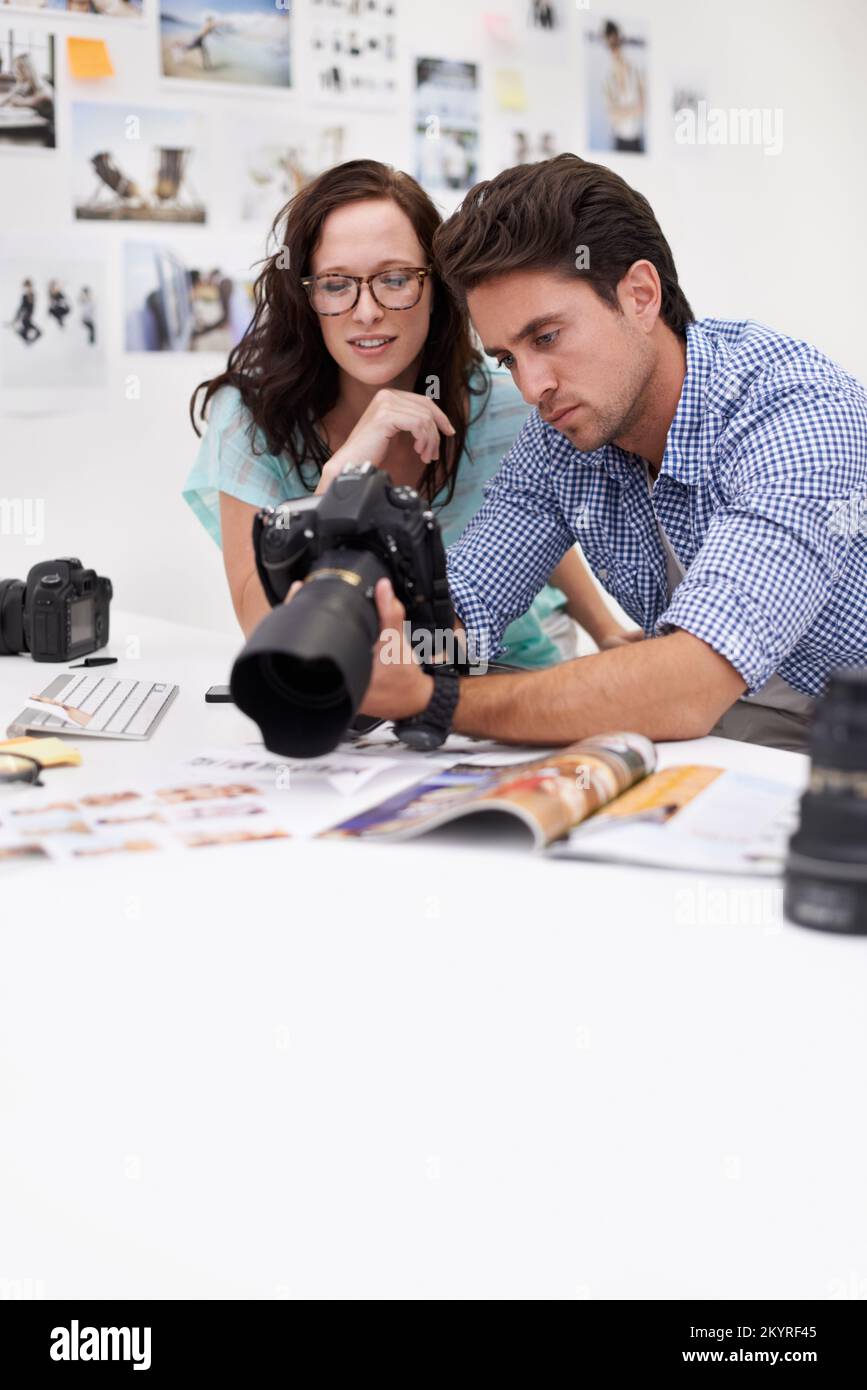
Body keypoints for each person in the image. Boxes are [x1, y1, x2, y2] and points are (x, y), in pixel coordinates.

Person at [351, 154, 867, 754]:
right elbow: (464, 605)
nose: (532, 386)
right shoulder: (562, 437)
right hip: (731, 737)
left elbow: (691, 680)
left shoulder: (796, 411)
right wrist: (368, 657)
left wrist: (434, 701)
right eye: (510, 358)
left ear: (641, 296)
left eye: (547, 337)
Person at [183, 159, 633, 668]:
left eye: (395, 279)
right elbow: (266, 629)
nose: (367, 311)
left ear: (438, 286)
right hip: (349, 677)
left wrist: (606, 629)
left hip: (513, 660)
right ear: (305, 295)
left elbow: (534, 521)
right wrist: (342, 485)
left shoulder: (510, 403)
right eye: (336, 284)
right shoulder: (250, 418)